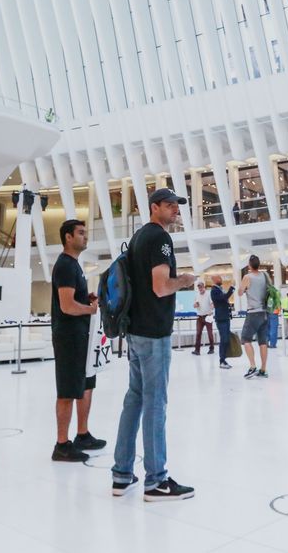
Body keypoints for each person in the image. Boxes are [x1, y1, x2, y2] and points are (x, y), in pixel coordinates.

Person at [111, 188, 196, 501]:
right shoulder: (160, 239)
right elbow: (161, 288)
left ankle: (122, 473)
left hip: (135, 331)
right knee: (155, 402)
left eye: (177, 205)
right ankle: (156, 480)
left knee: (134, 399)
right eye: (170, 205)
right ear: (154, 207)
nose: (175, 210)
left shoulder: (137, 238)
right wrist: (184, 281)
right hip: (153, 333)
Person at [50, 219, 106, 462]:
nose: (86, 237)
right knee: (67, 390)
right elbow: (67, 306)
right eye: (81, 233)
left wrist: (87, 297)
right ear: (68, 237)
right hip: (69, 338)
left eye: (85, 233)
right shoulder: (65, 266)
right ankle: (62, 444)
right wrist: (90, 309)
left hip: (82, 337)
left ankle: (82, 434)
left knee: (85, 385)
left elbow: (75, 299)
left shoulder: (74, 266)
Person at [237, 254, 271, 378]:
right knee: (263, 341)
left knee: (246, 339)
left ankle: (252, 366)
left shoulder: (247, 277)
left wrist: (245, 289)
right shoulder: (265, 275)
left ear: (249, 265)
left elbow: (240, 292)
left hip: (253, 313)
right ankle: (263, 369)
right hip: (264, 312)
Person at [211, 274, 234, 369]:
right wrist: (232, 287)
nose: (221, 279)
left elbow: (225, 300)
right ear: (214, 280)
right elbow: (224, 298)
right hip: (221, 319)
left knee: (226, 339)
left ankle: (224, 359)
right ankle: (222, 360)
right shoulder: (214, 291)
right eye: (219, 278)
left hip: (225, 317)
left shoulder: (219, 289)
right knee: (224, 339)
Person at [192, 280, 215, 355]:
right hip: (199, 317)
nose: (200, 289)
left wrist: (212, 309)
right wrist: (195, 305)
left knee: (210, 333)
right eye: (199, 287)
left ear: (204, 287)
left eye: (201, 287)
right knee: (198, 333)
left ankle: (211, 348)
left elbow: (212, 303)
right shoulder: (197, 295)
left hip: (208, 316)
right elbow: (194, 305)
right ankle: (197, 350)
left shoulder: (209, 294)